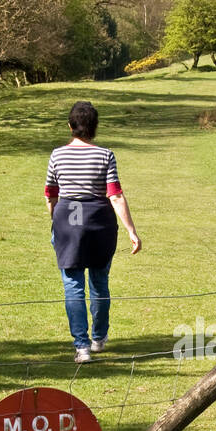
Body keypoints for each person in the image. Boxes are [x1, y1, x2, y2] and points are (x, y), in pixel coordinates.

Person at [45, 101, 141, 364]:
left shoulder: (57, 155)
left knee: (73, 285)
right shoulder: (105, 155)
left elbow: (51, 194)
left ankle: (82, 347)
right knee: (99, 283)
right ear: (95, 127)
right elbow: (115, 195)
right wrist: (132, 231)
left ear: (70, 126)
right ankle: (99, 339)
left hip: (68, 218)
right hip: (99, 220)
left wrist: (55, 222)